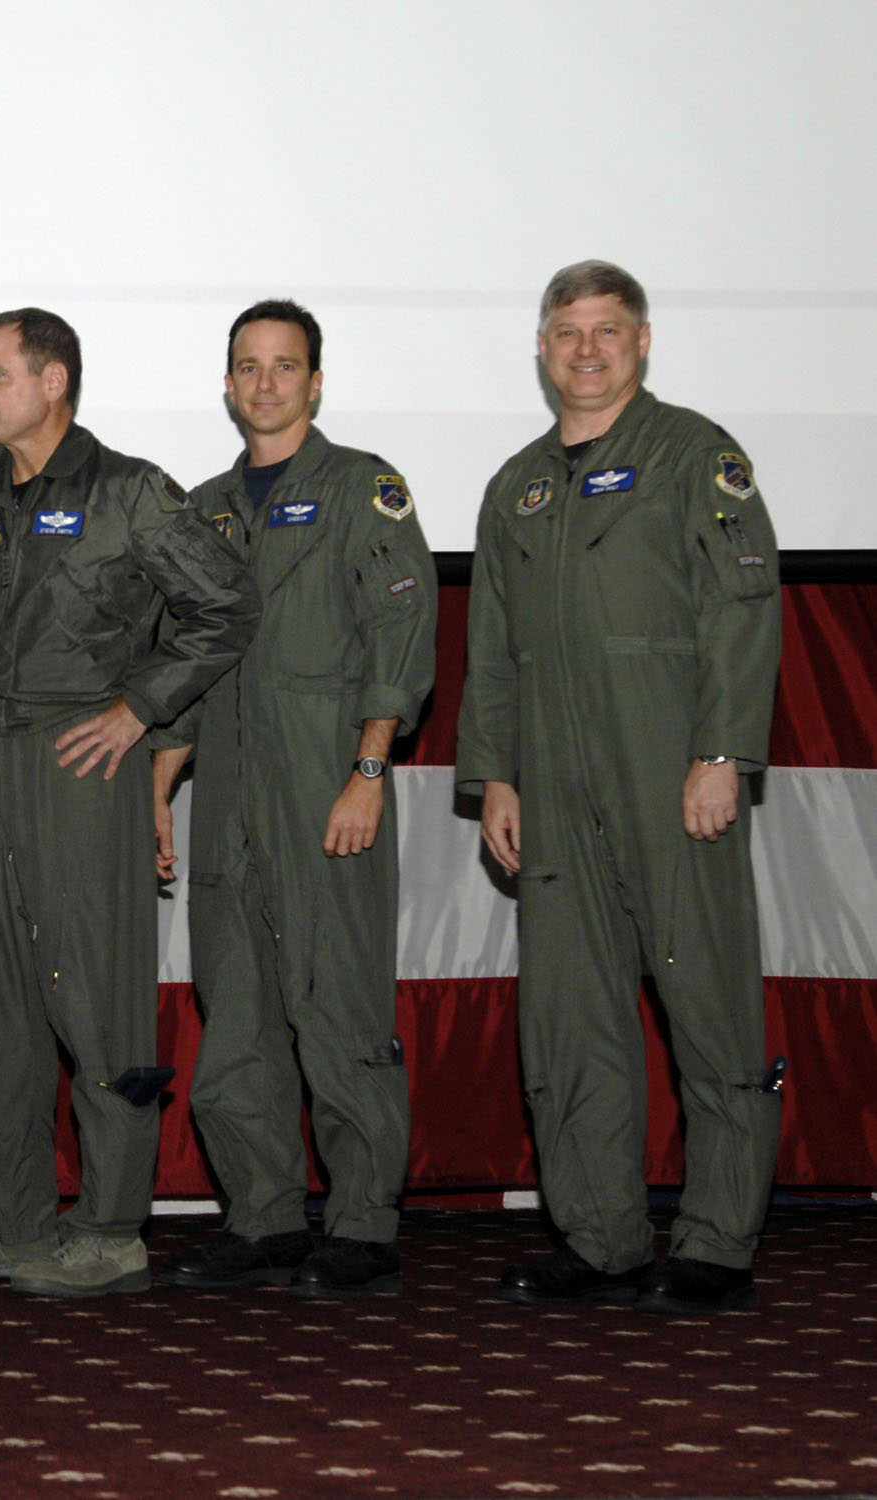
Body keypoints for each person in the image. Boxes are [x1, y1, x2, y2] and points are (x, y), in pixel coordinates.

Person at [0, 308, 258, 1297]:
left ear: (52, 382)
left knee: (99, 1011)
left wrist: (137, 710)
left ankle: (110, 1228)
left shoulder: (130, 493)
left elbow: (226, 605)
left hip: (82, 769)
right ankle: (9, 1220)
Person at [458, 260, 782, 1314]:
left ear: (642, 342)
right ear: (542, 350)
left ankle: (719, 1241)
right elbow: (494, 646)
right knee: (573, 1015)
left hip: (669, 766)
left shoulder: (695, 454)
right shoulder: (517, 484)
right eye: (565, 332)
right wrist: (496, 775)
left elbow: (744, 607)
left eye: (607, 330)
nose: (585, 350)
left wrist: (724, 752)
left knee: (707, 999)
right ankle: (600, 1238)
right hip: (551, 782)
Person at [151, 300, 437, 1300]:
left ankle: (362, 1222)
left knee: (339, 1006)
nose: (266, 382)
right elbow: (181, 663)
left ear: (316, 383)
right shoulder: (202, 511)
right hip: (225, 801)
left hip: (326, 791)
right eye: (248, 366)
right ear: (227, 385)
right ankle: (264, 1215)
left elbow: (401, 639)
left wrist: (368, 772)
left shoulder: (363, 489)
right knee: (234, 1013)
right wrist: (160, 786)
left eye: (285, 366)